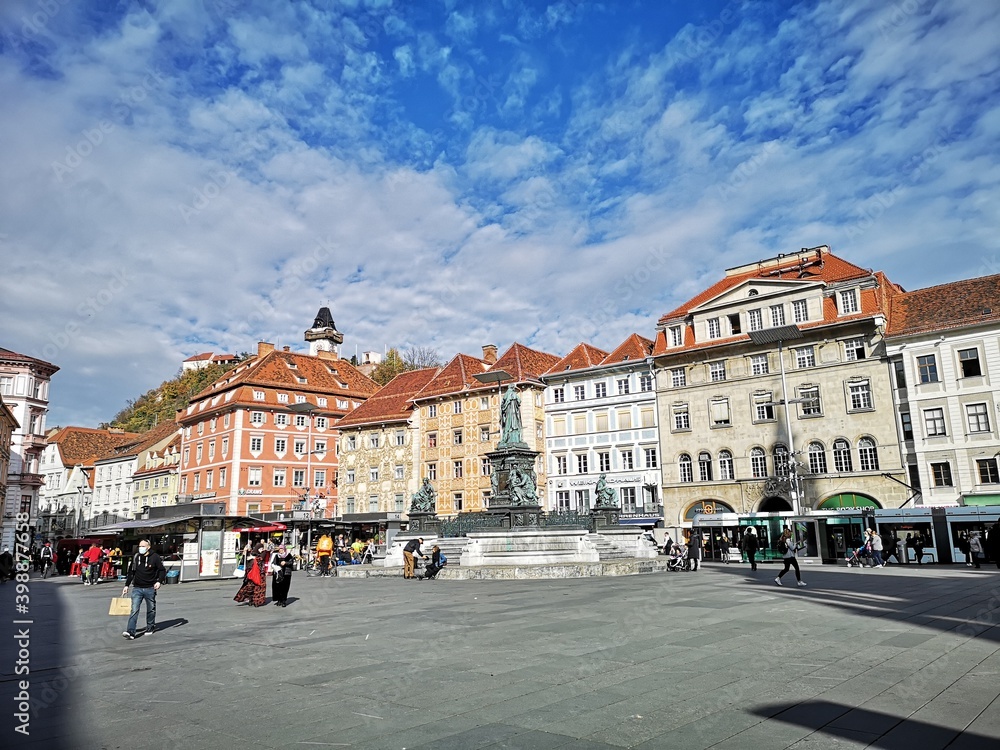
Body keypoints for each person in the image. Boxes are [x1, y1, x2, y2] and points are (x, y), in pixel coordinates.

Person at [121, 539, 167, 639]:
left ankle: (150, 626)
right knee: (134, 610)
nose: (140, 548)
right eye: (139, 546)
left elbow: (162, 570)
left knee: (151, 609)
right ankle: (131, 631)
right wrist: (126, 585)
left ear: (148, 547)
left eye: (143, 546)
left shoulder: (155, 557)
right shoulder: (136, 557)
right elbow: (131, 572)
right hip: (137, 587)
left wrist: (159, 581)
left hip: (150, 587)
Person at [234, 541, 268, 607]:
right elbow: (248, 563)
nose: (261, 550)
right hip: (251, 574)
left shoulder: (262, 553)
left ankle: (257, 601)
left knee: (259, 587)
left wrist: (254, 557)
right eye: (260, 549)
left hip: (260, 573)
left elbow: (261, 558)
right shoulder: (251, 554)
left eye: (262, 548)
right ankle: (250, 600)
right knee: (250, 587)